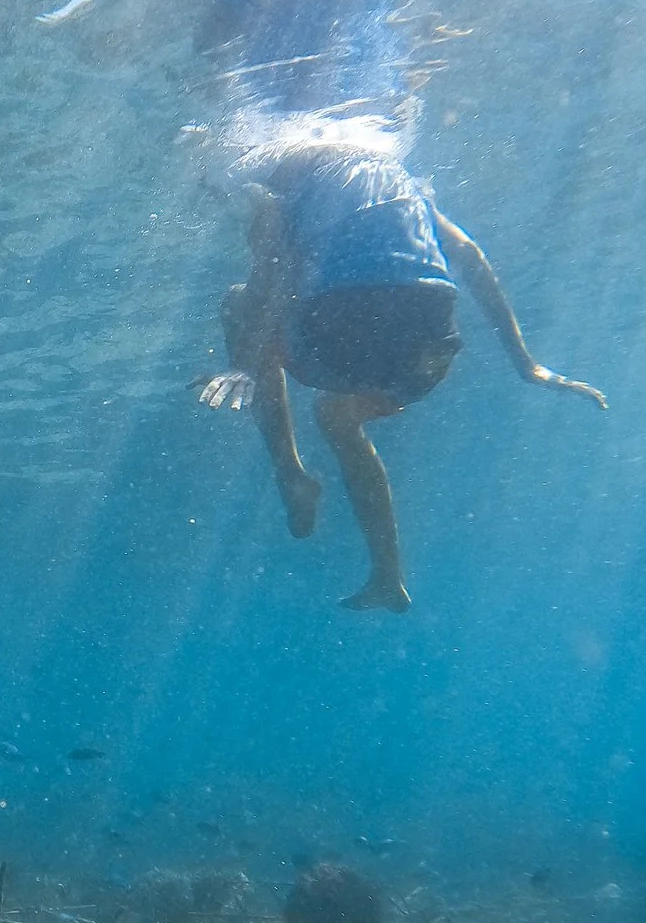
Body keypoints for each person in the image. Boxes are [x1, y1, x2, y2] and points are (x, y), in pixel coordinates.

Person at [197, 130, 605, 611]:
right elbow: (471, 257)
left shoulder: (277, 187)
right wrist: (527, 364)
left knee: (235, 304)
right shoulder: (399, 182)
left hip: (351, 327)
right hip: (431, 345)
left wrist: (243, 362)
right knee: (338, 417)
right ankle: (388, 577)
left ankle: (291, 473)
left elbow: (274, 270)